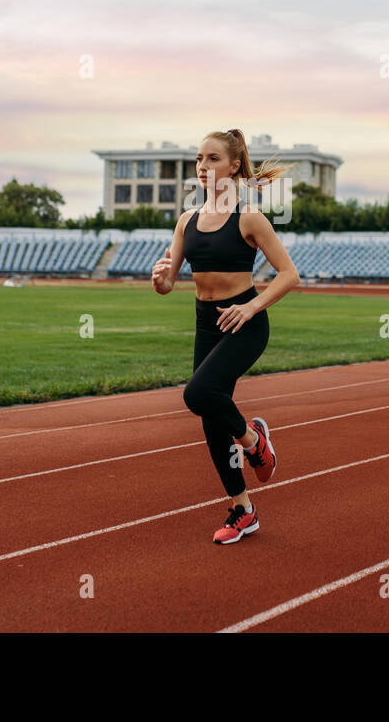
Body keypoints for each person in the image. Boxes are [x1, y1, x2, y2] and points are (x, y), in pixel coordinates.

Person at [151, 129, 300, 544]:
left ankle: (254, 441)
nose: (203, 166)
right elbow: (169, 283)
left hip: (244, 323)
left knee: (196, 395)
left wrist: (252, 307)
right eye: (199, 159)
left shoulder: (249, 218)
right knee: (212, 421)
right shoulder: (187, 221)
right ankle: (244, 510)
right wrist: (160, 280)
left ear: (234, 166)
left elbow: (290, 276)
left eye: (213, 159)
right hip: (206, 323)